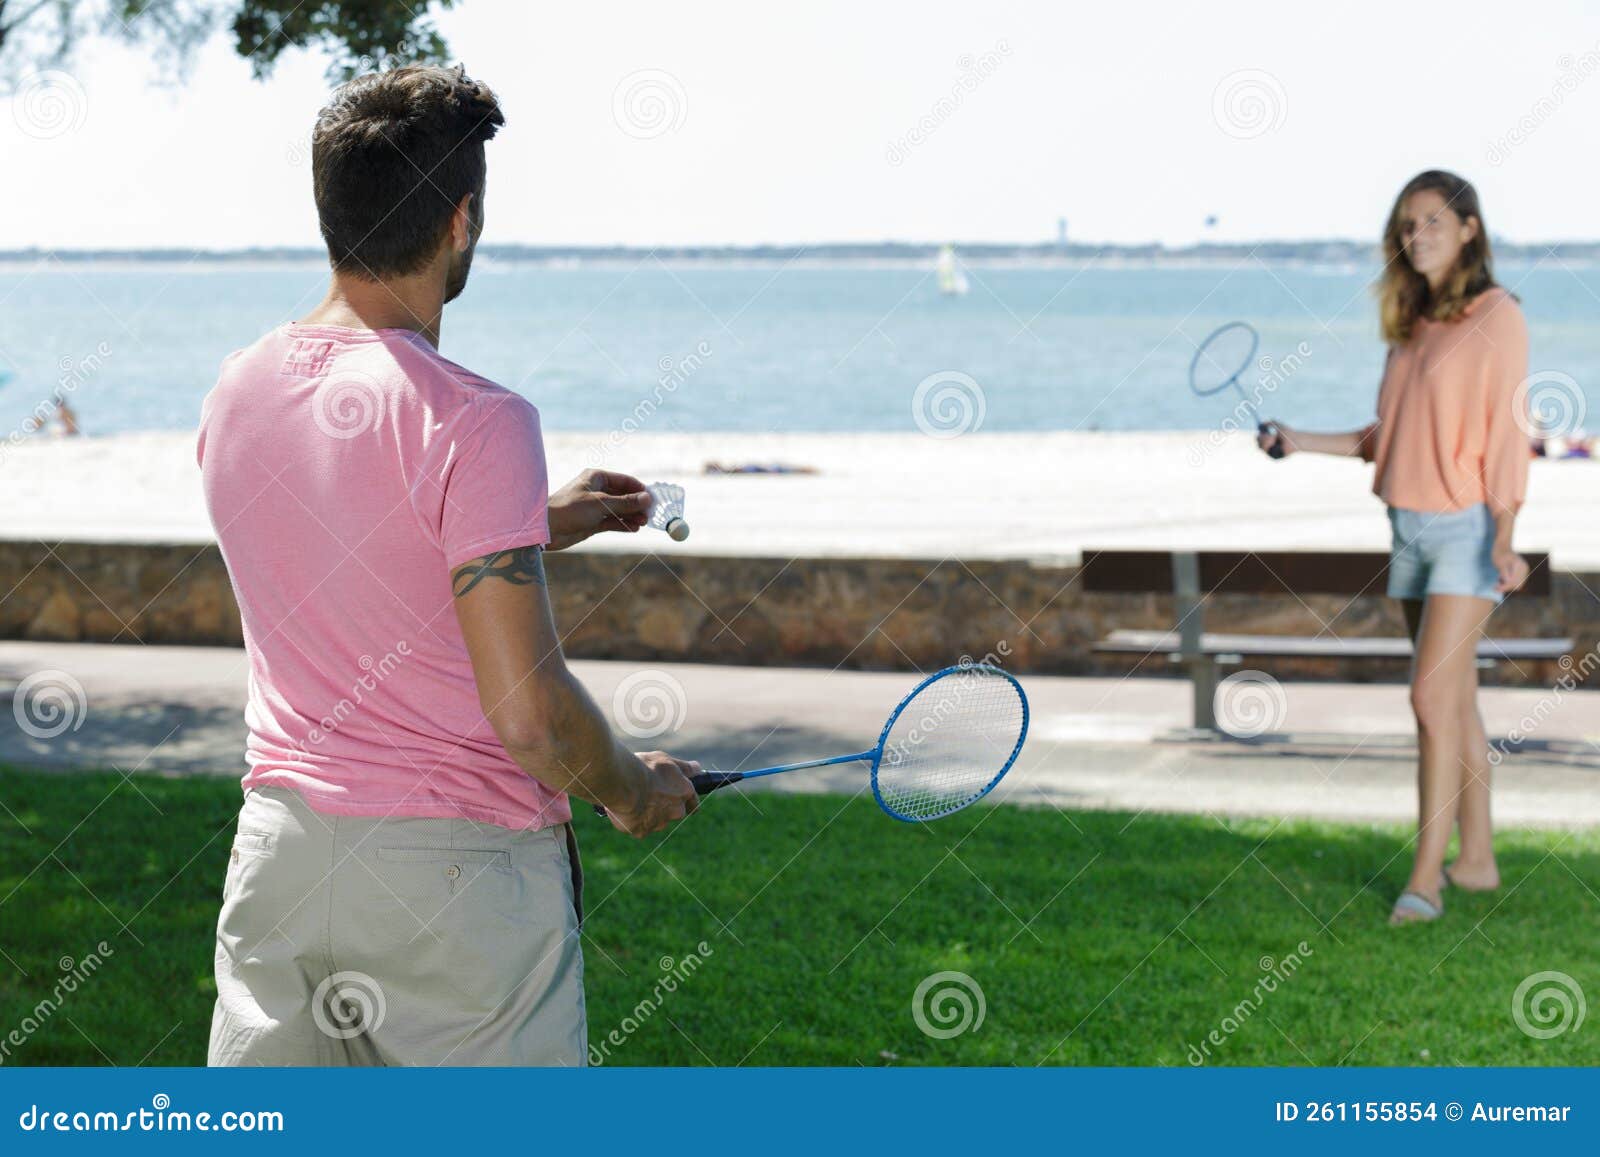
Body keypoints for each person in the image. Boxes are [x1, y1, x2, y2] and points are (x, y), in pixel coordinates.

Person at [200, 65, 700, 1066]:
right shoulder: (482, 419)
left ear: (330, 208)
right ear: (460, 221)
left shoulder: (239, 389)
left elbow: (342, 544)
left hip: (282, 859)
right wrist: (627, 787)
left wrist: (520, 522)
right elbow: (529, 713)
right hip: (456, 889)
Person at [1260, 170, 1530, 926]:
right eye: (1406, 224)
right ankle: (1475, 859)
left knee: (1427, 697)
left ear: (1469, 228)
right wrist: (1297, 440)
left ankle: (1425, 881)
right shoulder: (1413, 324)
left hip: (1467, 532)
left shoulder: (1497, 316)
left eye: (1433, 221)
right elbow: (1389, 438)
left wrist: (1507, 539)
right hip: (1405, 530)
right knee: (1453, 704)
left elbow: (1510, 435)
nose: (1417, 235)